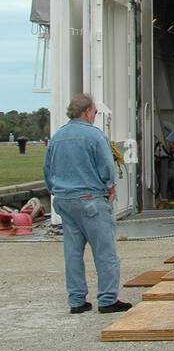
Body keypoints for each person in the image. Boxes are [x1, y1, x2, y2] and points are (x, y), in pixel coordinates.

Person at [42, 93, 132, 315]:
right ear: (87, 112)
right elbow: (106, 165)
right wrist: (111, 186)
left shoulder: (58, 136)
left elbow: (47, 169)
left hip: (64, 199)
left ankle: (76, 300)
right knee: (105, 251)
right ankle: (107, 299)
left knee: (72, 252)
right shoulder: (94, 135)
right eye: (94, 111)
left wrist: (57, 190)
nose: (95, 115)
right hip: (90, 199)